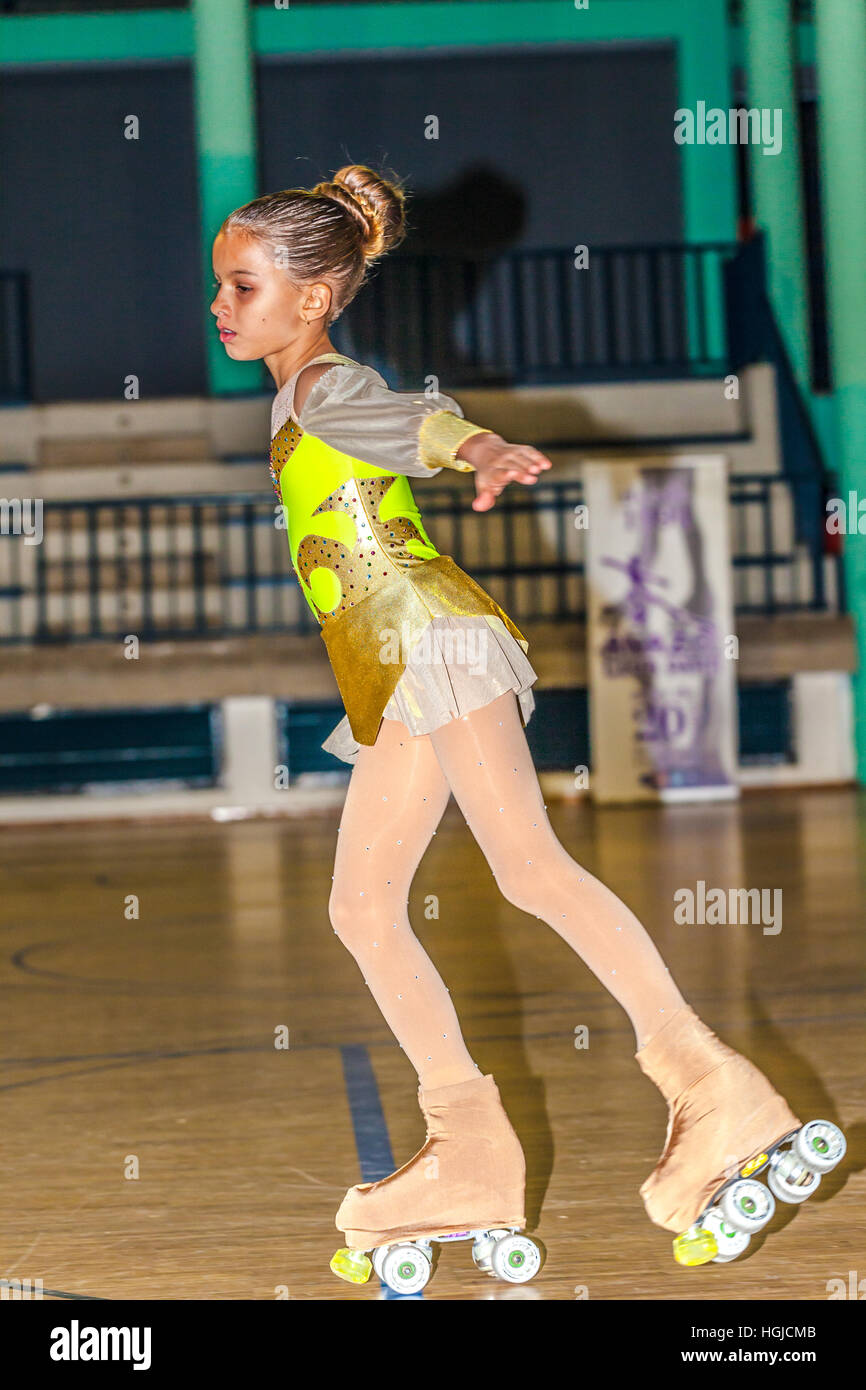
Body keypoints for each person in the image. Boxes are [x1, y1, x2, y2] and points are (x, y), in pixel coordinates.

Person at [210, 164, 843, 1284]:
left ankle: (710, 1084)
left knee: (527, 869)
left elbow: (407, 422)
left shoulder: (323, 387)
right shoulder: (292, 390)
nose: (221, 304)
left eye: (243, 285)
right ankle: (467, 1145)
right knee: (362, 904)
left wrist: (478, 449)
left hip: (431, 642)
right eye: (221, 284)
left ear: (310, 297)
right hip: (398, 665)